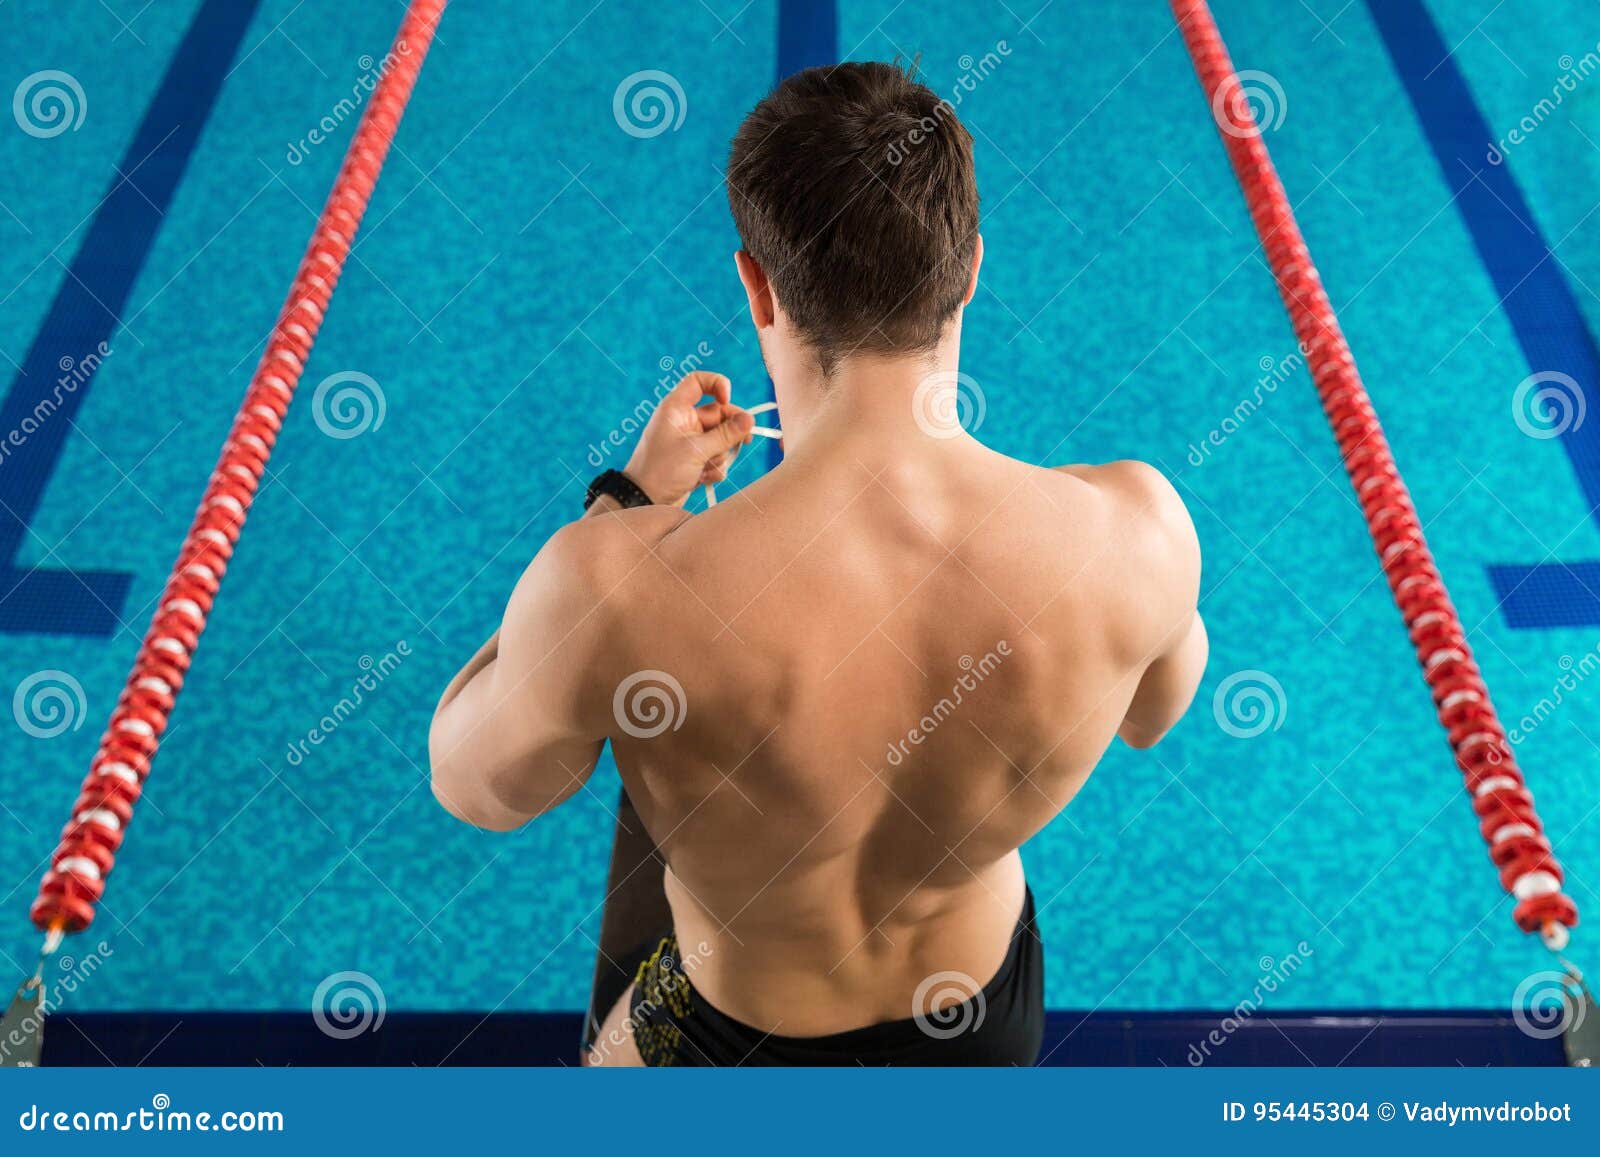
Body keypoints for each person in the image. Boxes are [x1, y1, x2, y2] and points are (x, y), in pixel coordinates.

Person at [429, 61, 1206, 1066]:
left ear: (757, 285)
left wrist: (625, 509)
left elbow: (480, 786)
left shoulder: (612, 585)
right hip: (977, 1010)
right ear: (968, 266)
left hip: (732, 1036)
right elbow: (1149, 712)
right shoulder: (1134, 529)